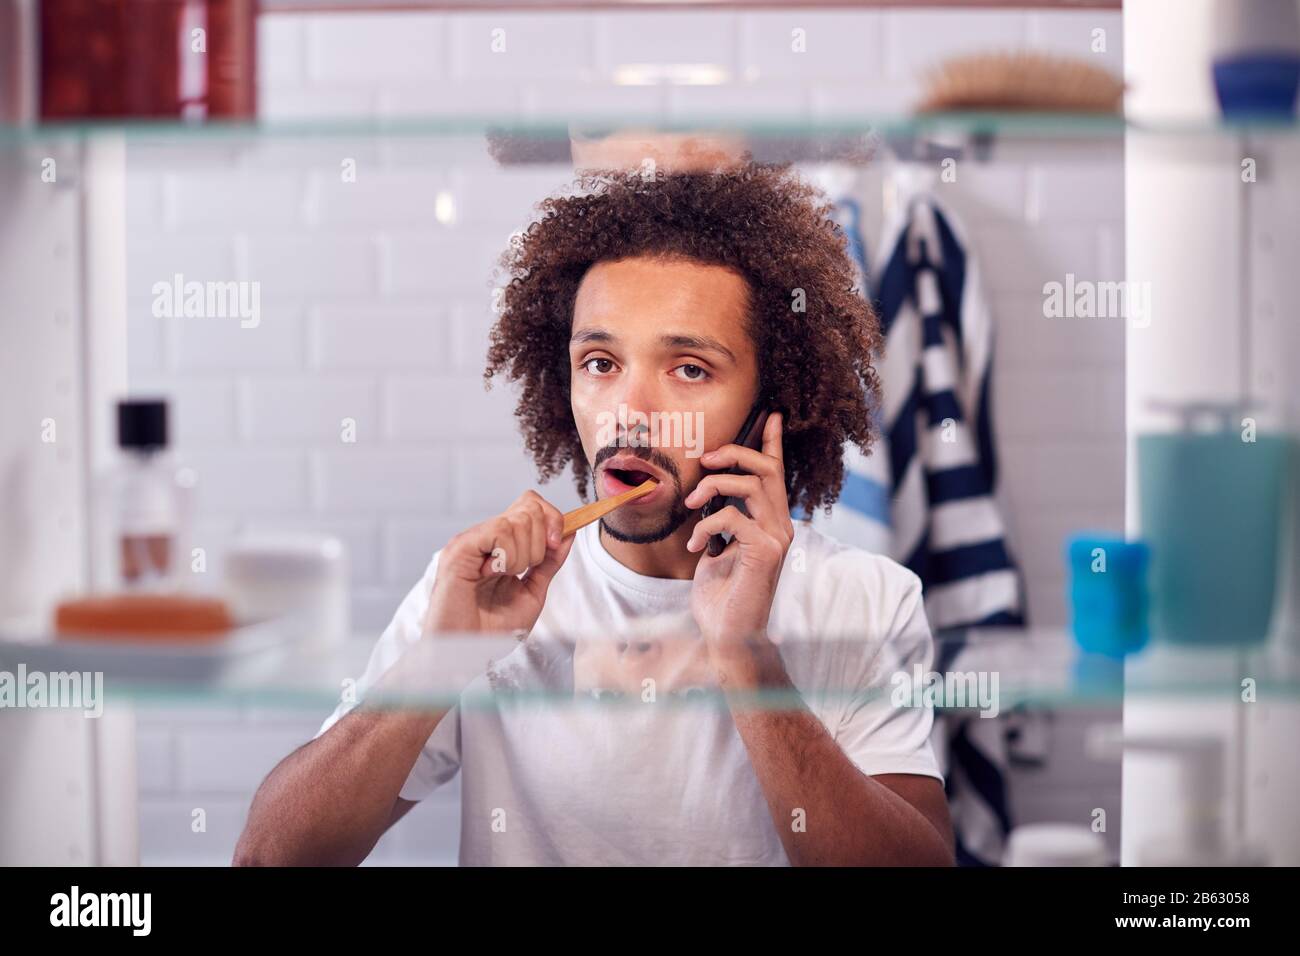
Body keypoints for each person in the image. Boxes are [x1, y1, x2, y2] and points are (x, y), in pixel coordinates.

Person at [234, 162, 954, 866]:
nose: (628, 415)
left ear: (772, 407)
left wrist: (747, 656)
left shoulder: (865, 598)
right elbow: (268, 858)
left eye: (689, 369)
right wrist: (438, 664)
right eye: (601, 364)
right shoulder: (479, 592)